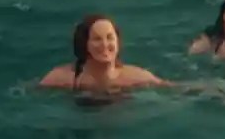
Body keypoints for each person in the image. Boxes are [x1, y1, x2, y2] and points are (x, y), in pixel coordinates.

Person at [39, 14, 169, 92]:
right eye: (97, 39)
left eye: (109, 38)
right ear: (85, 43)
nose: (104, 45)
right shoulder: (64, 78)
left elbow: (171, 88)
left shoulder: (134, 77)